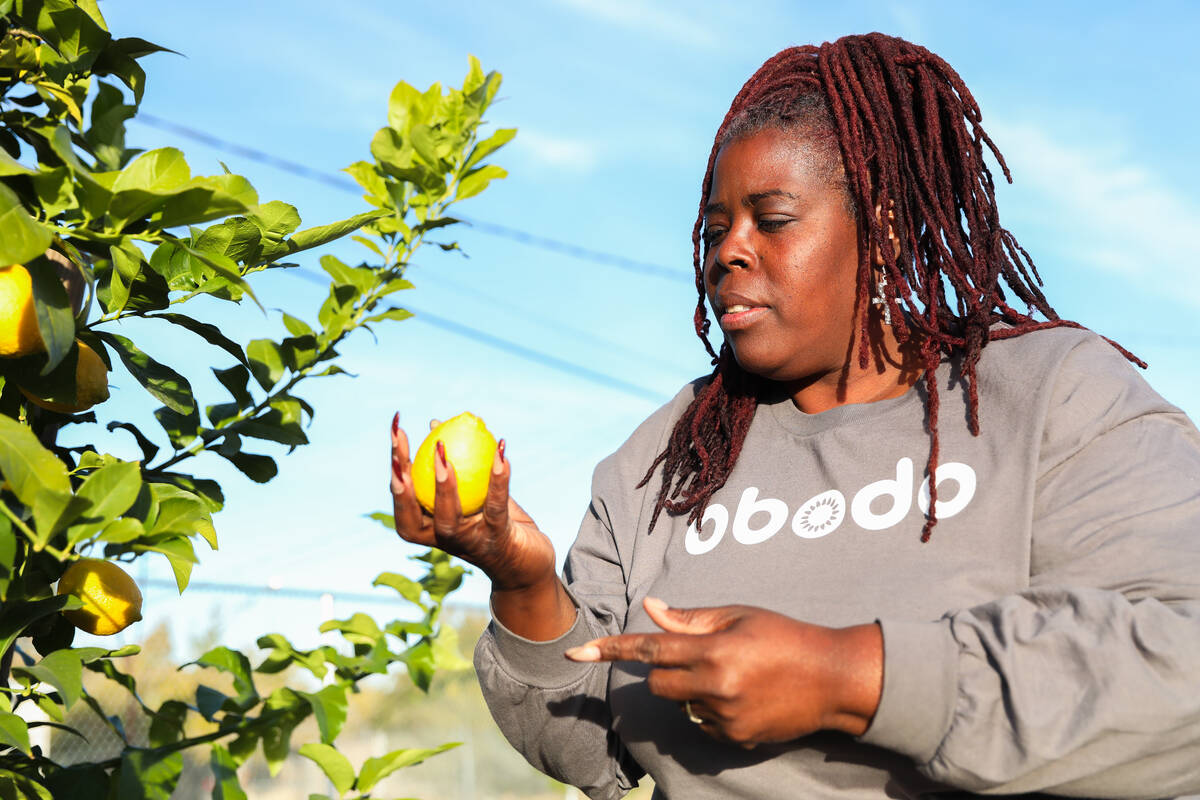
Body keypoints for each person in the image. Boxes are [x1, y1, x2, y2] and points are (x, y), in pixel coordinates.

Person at [389, 32, 1200, 799]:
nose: (728, 252)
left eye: (771, 221)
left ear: (881, 226)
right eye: (714, 229)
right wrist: (520, 579)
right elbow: (586, 744)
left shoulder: (1051, 395)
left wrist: (848, 677)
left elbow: (1181, 673)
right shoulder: (670, 457)